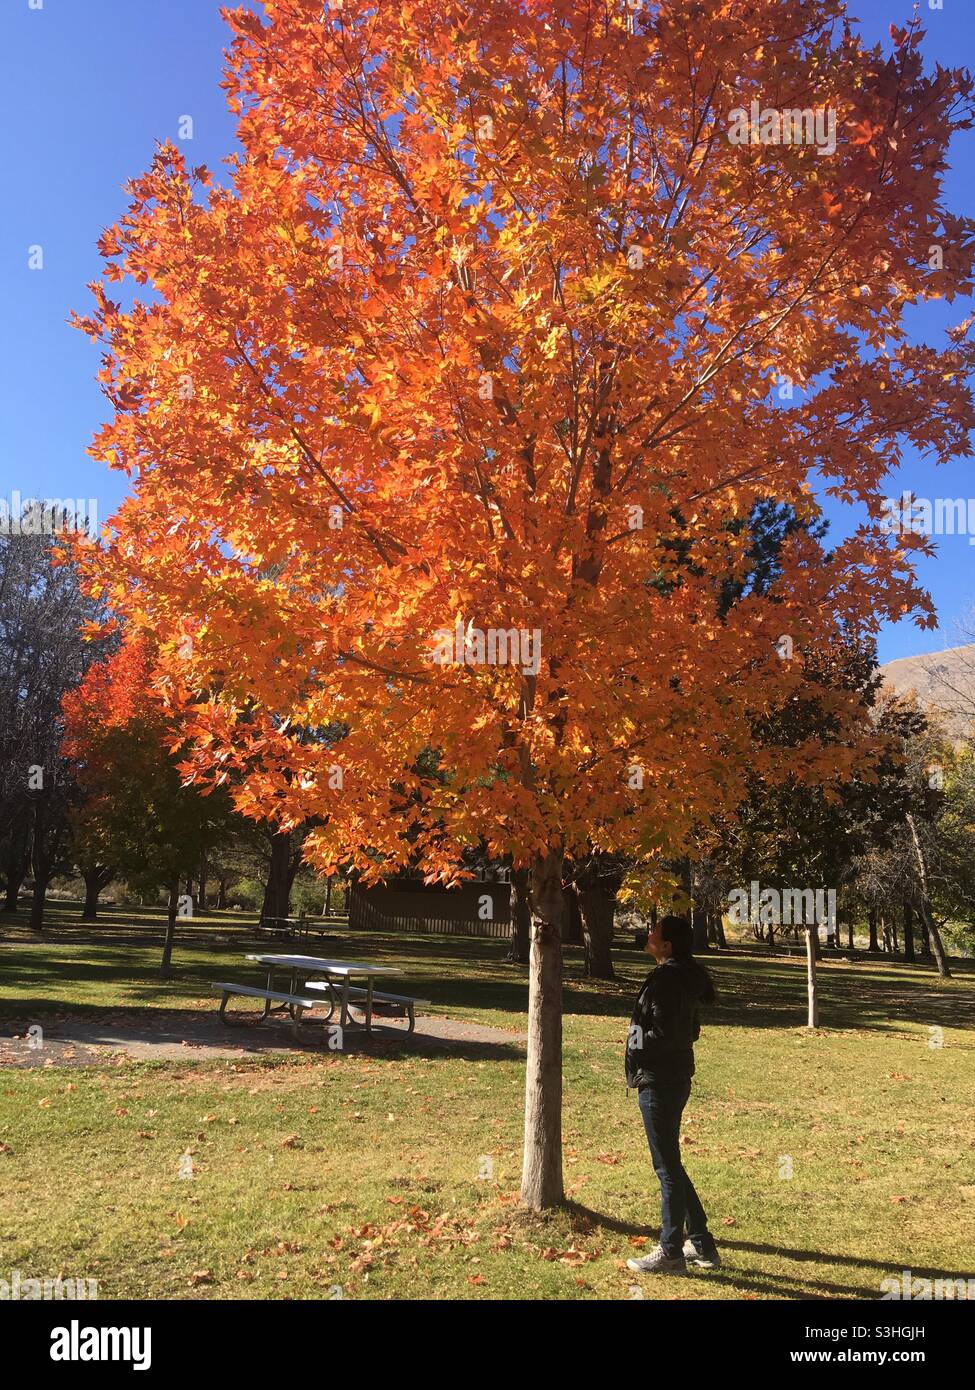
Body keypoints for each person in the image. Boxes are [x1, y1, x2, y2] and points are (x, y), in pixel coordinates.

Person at [625, 914, 720, 1274]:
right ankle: (702, 1245)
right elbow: (689, 1029)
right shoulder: (681, 975)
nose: (648, 934)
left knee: (666, 1168)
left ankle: (670, 1252)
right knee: (672, 1165)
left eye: (655, 932)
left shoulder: (667, 979)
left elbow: (667, 1035)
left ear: (666, 945)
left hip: (660, 1081)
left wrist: (633, 1045)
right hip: (673, 1077)